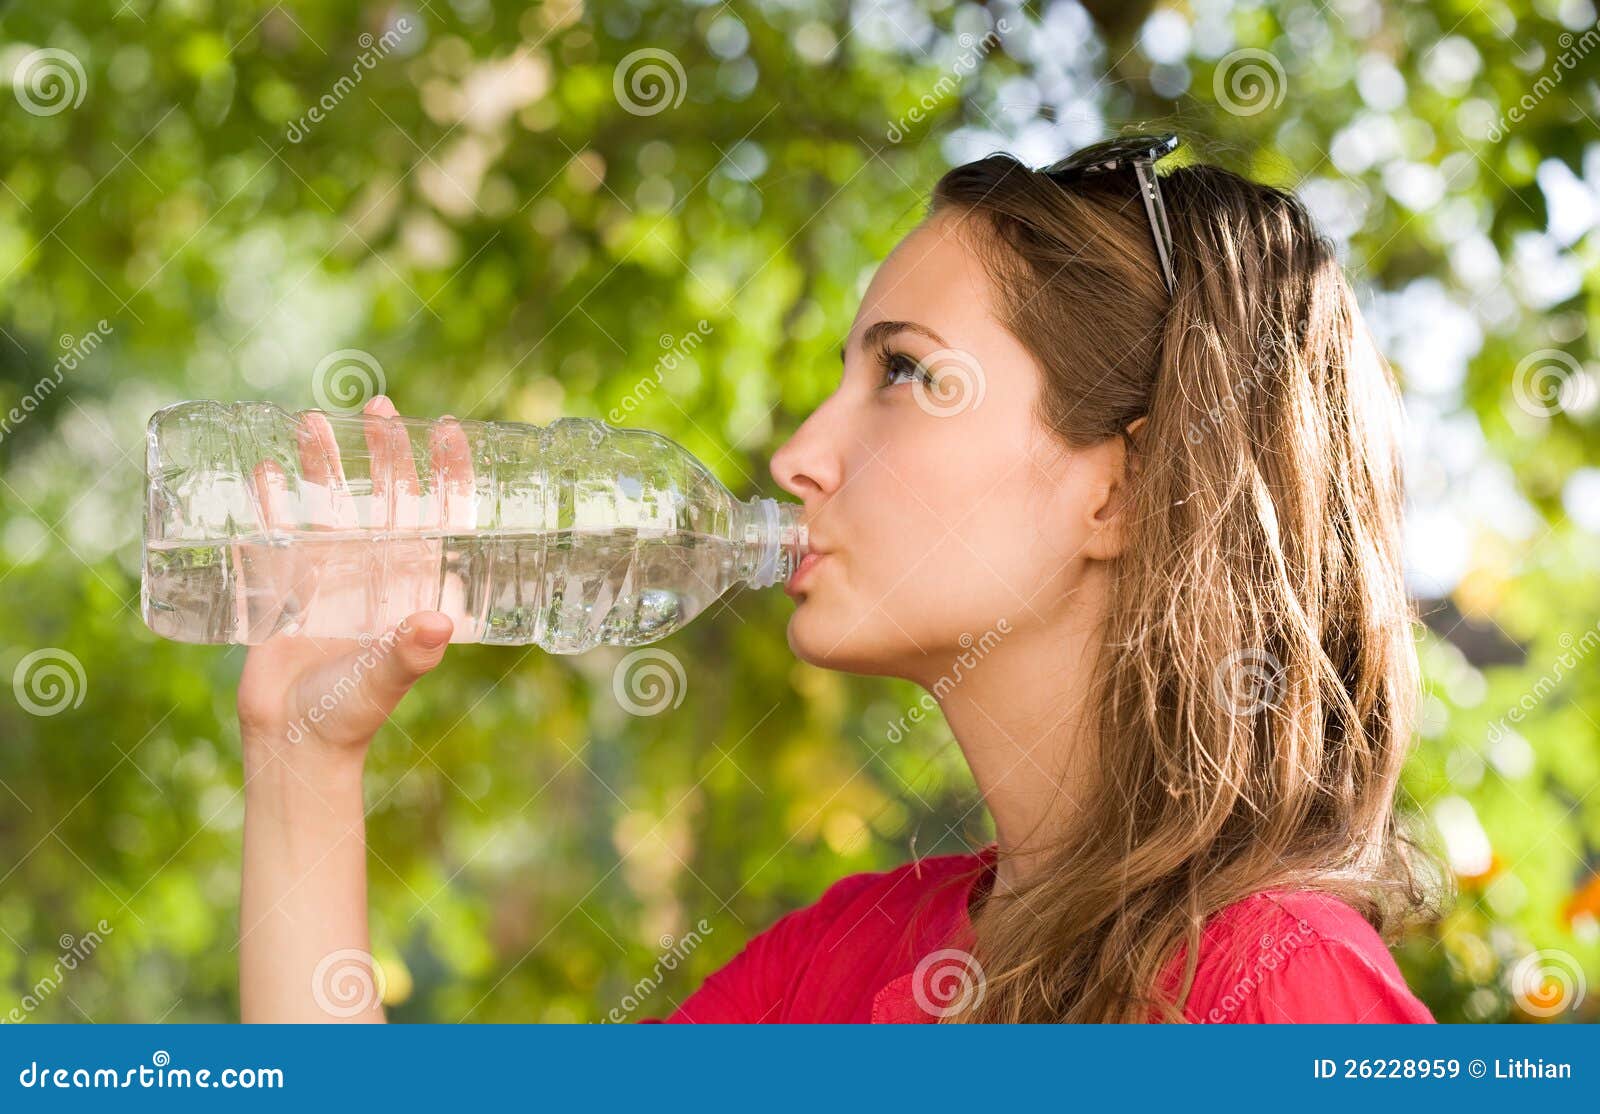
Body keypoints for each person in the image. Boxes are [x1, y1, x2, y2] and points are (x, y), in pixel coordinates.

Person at [236, 134, 1444, 1024]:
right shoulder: (837, 964)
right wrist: (303, 763)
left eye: (907, 374)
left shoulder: (1275, 988)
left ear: (1120, 490)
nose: (799, 454)